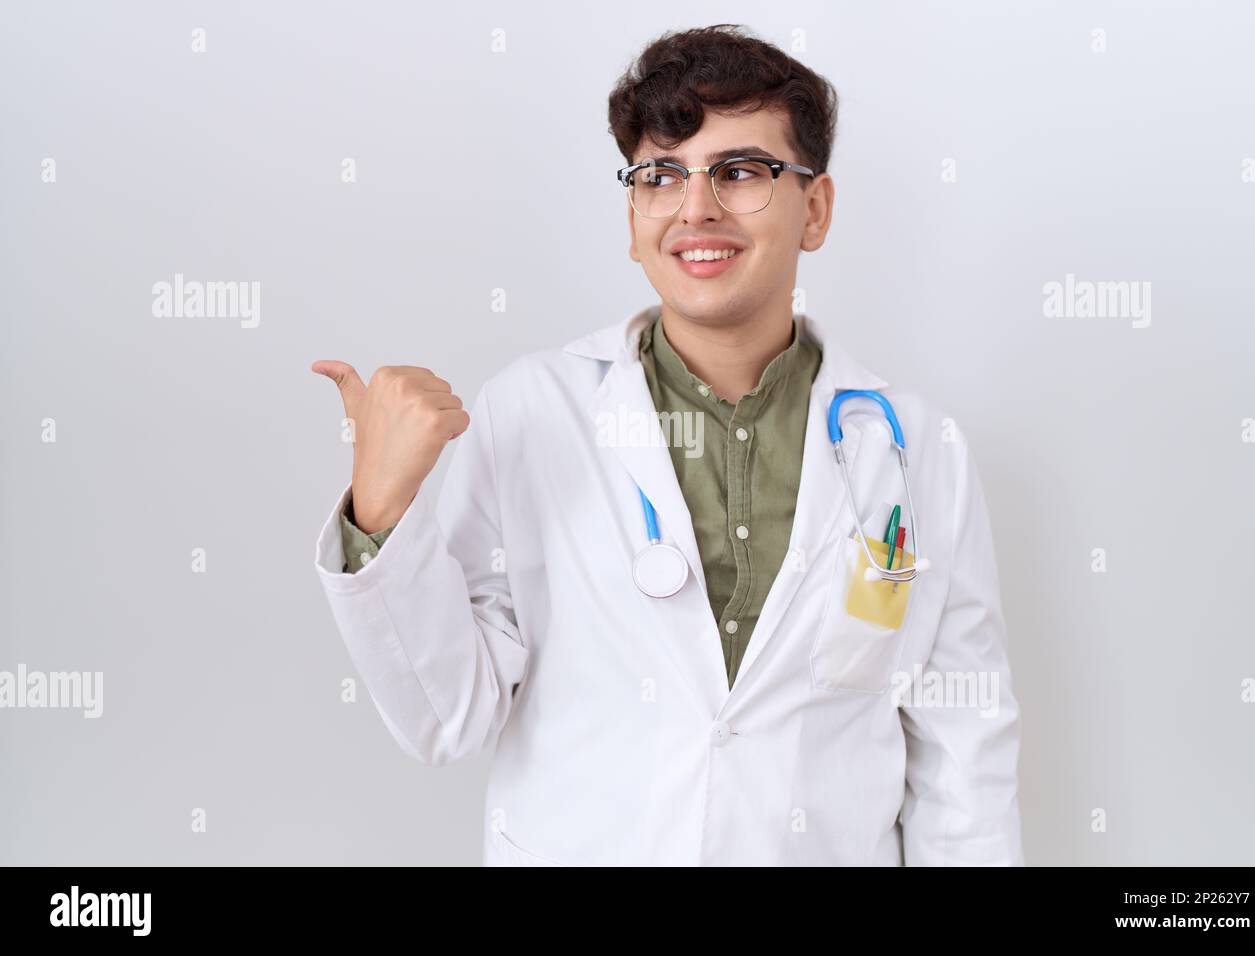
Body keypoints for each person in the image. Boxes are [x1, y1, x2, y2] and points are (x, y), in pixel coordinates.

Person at [311, 24, 1023, 866]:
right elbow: (447, 715)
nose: (696, 209)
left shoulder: (916, 450)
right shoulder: (530, 412)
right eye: (661, 176)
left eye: (741, 172)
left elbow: (963, 756)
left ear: (816, 209)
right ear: (633, 213)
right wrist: (382, 511)